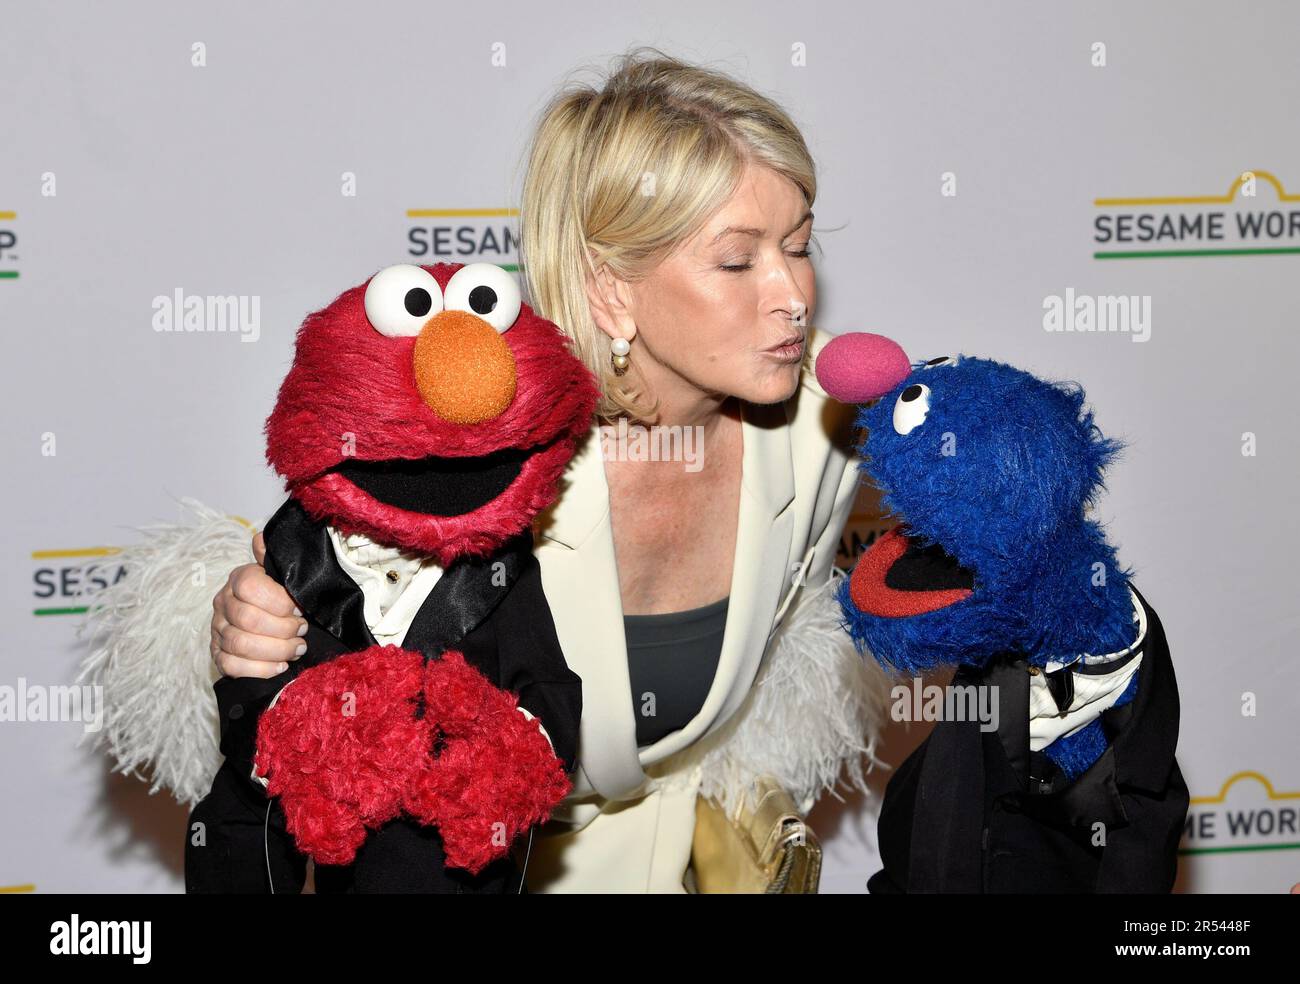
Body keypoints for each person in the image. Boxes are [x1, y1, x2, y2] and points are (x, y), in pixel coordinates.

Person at [207, 47, 883, 892]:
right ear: (611, 292)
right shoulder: (473, 440)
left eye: (801, 246)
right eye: (738, 260)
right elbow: (330, 602)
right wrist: (252, 622)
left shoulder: (825, 423)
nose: (793, 295)